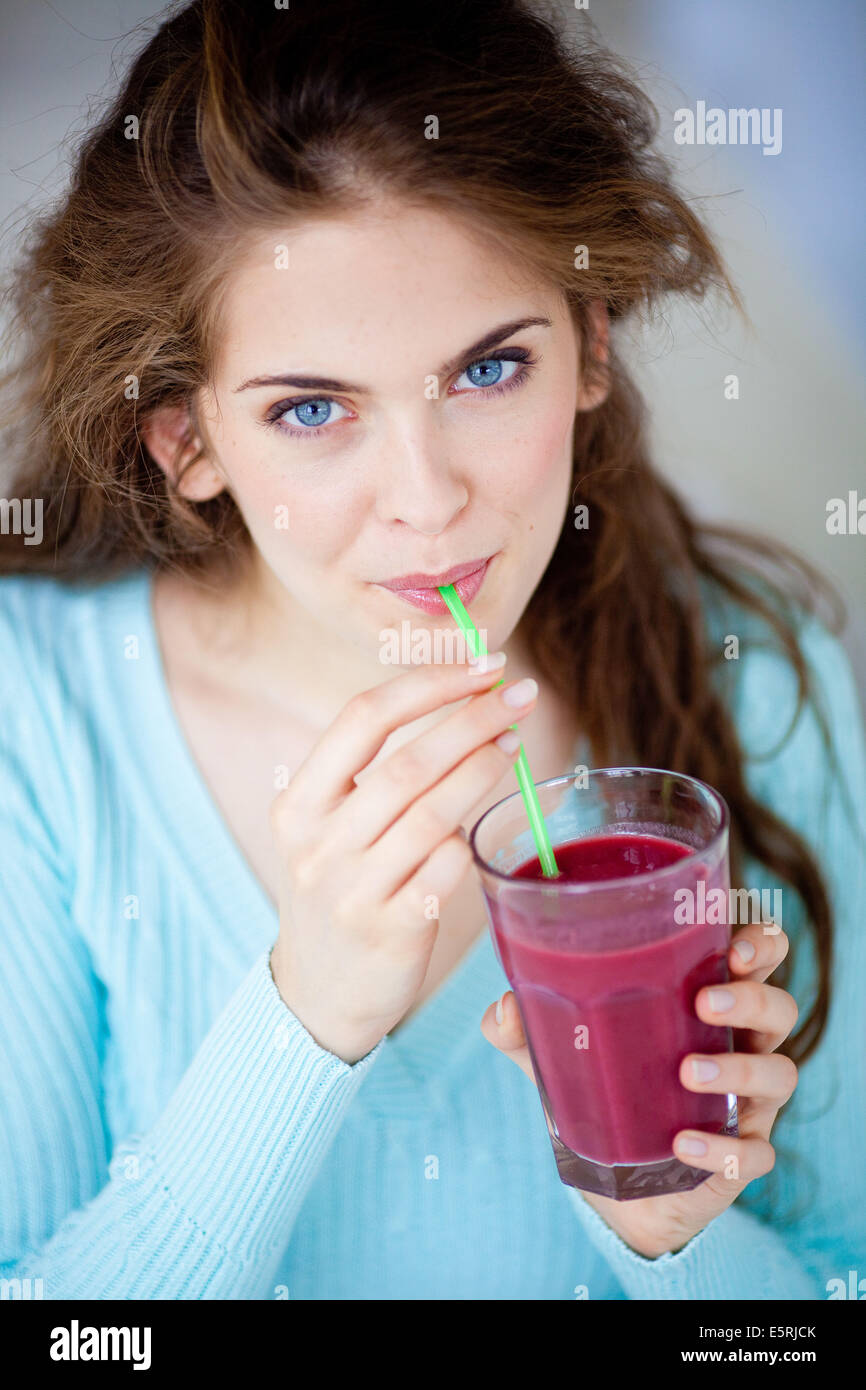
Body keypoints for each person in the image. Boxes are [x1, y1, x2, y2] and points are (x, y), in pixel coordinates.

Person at [0, 0, 863, 1301]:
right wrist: (304, 1014)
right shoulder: (36, 711)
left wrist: (676, 1237)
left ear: (590, 341)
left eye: (485, 371)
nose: (425, 499)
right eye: (309, 407)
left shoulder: (754, 667)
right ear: (187, 443)